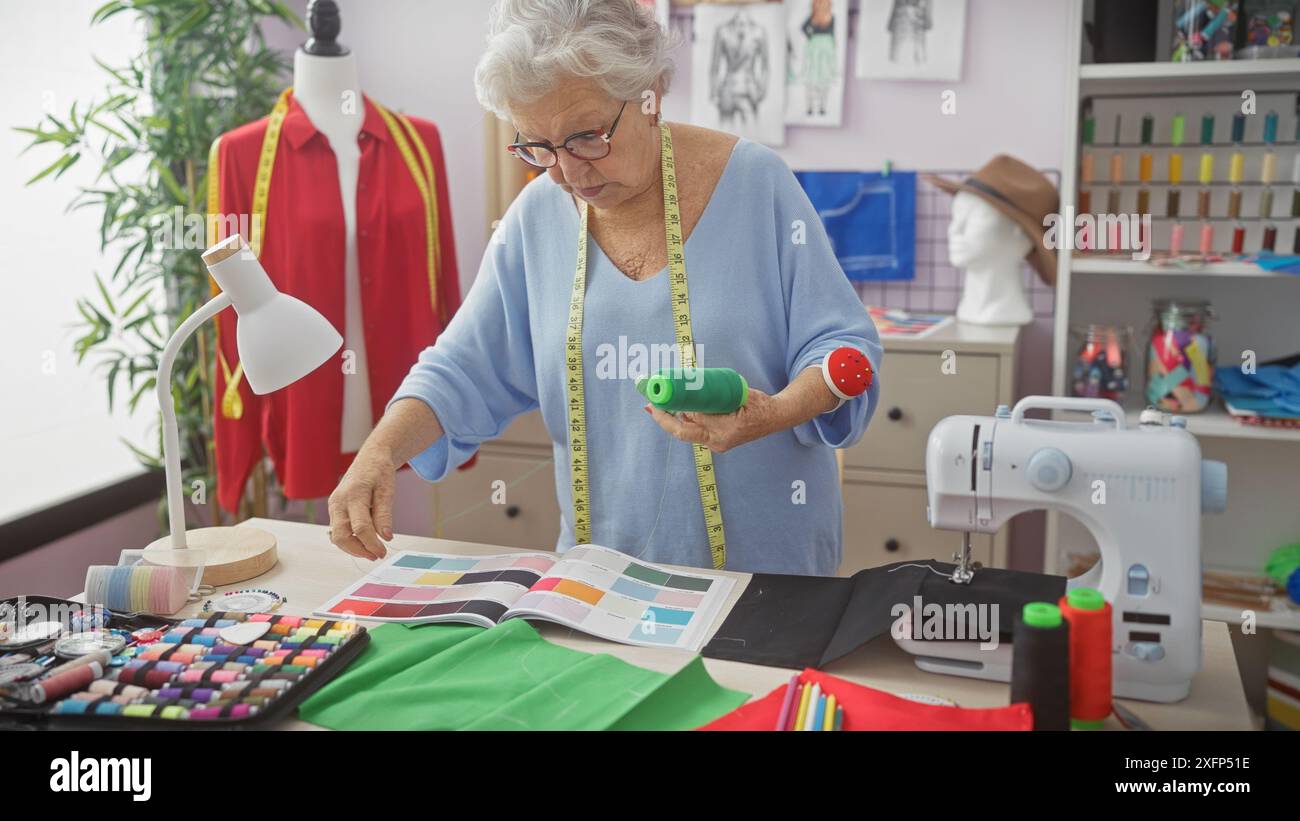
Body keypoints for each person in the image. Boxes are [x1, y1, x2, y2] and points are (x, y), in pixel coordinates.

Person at [327, 0, 881, 576]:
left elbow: (845, 352)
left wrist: (776, 411)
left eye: (587, 137)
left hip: (768, 574)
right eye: (537, 146)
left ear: (650, 95)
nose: (567, 172)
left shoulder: (756, 185)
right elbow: (461, 368)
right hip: (602, 580)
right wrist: (381, 452)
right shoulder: (537, 216)